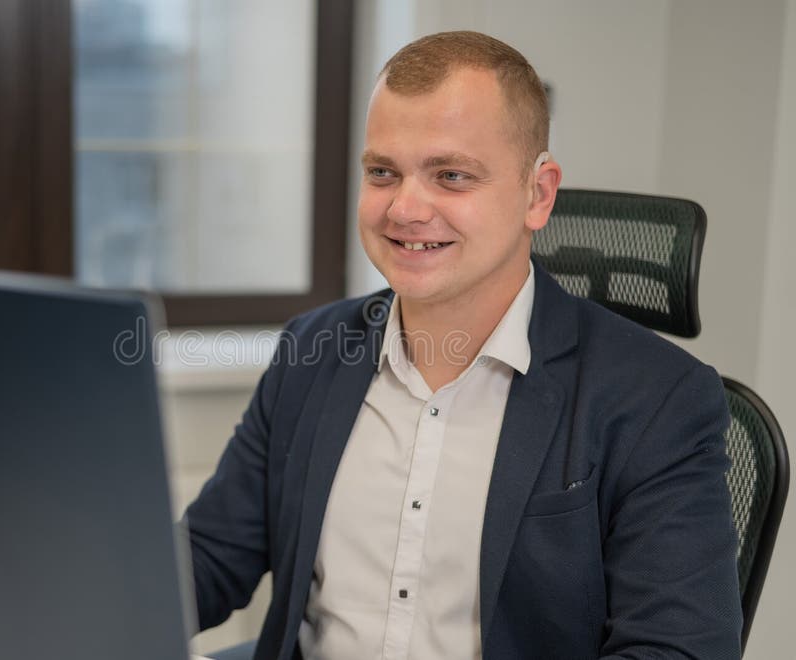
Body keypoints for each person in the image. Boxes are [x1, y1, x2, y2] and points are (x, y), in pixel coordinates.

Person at [184, 31, 742, 660]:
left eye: (450, 175)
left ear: (538, 194)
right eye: (382, 172)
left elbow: (679, 649)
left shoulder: (658, 399)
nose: (406, 208)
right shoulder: (311, 350)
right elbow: (207, 557)